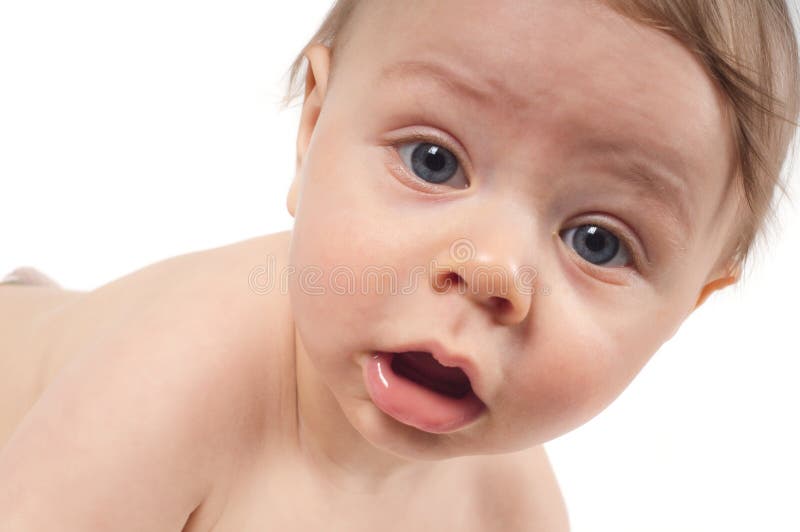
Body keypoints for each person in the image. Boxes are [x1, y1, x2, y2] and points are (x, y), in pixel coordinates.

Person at [1, 1, 798, 530]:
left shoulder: (506, 505)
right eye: (433, 161)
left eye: (598, 241)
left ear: (687, 310)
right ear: (312, 126)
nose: (491, 271)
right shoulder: (173, 384)